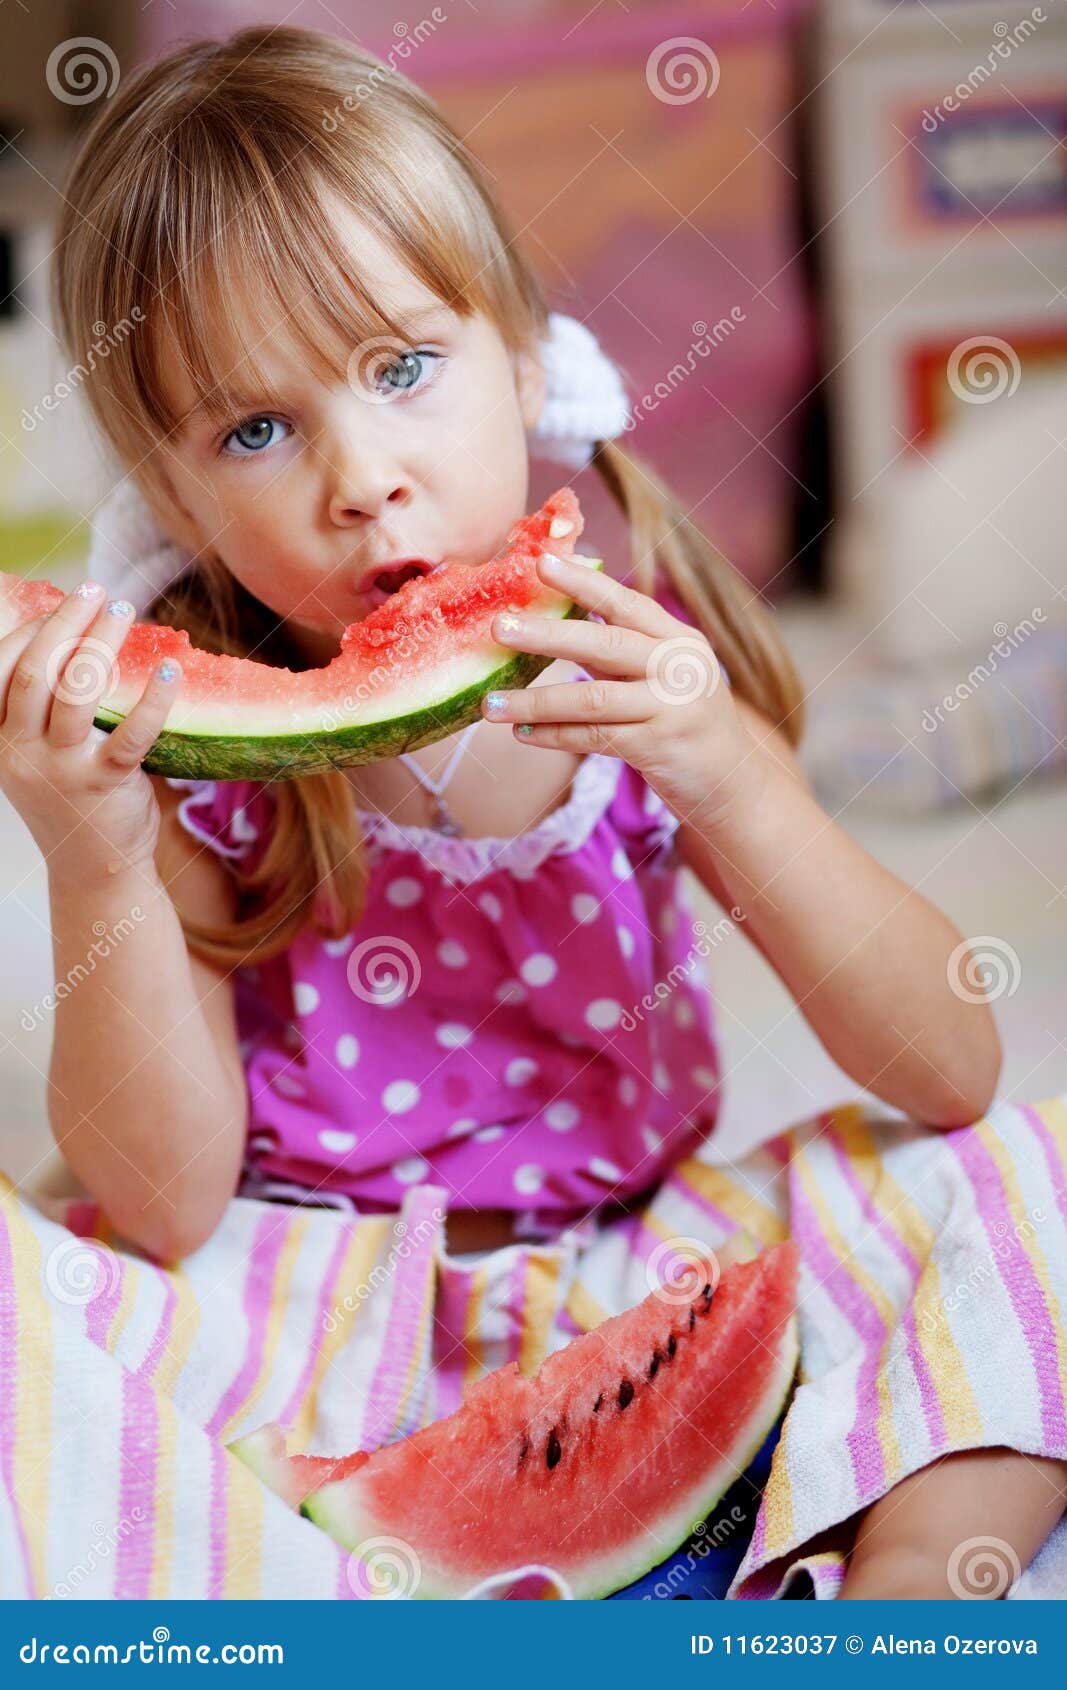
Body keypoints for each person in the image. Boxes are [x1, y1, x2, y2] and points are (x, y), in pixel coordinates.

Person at [1, 26, 1065, 1601]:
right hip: (299, 1285)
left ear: (519, 360)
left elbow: (948, 1062)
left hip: (648, 1259)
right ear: (173, 500)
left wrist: (731, 779)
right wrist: (94, 869)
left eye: (401, 368)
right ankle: (288, 1590)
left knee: (1031, 1175)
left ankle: (905, 1596)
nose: (363, 477)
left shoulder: (643, 676)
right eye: (255, 429)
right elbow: (166, 1201)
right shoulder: (195, 760)